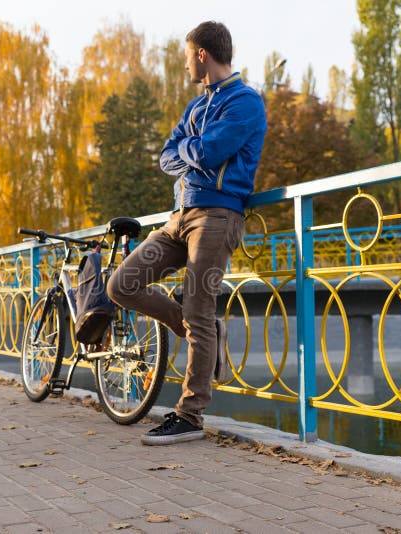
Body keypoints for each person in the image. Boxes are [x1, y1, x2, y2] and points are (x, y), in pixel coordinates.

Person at [106, 21, 267, 446]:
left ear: (202, 55)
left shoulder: (246, 103)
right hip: (177, 219)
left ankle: (190, 416)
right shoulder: (197, 108)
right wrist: (190, 151)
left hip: (217, 217)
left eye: (186, 57)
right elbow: (166, 156)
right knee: (122, 284)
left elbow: (210, 152)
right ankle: (207, 334)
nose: (185, 66)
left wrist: (188, 150)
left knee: (198, 307)